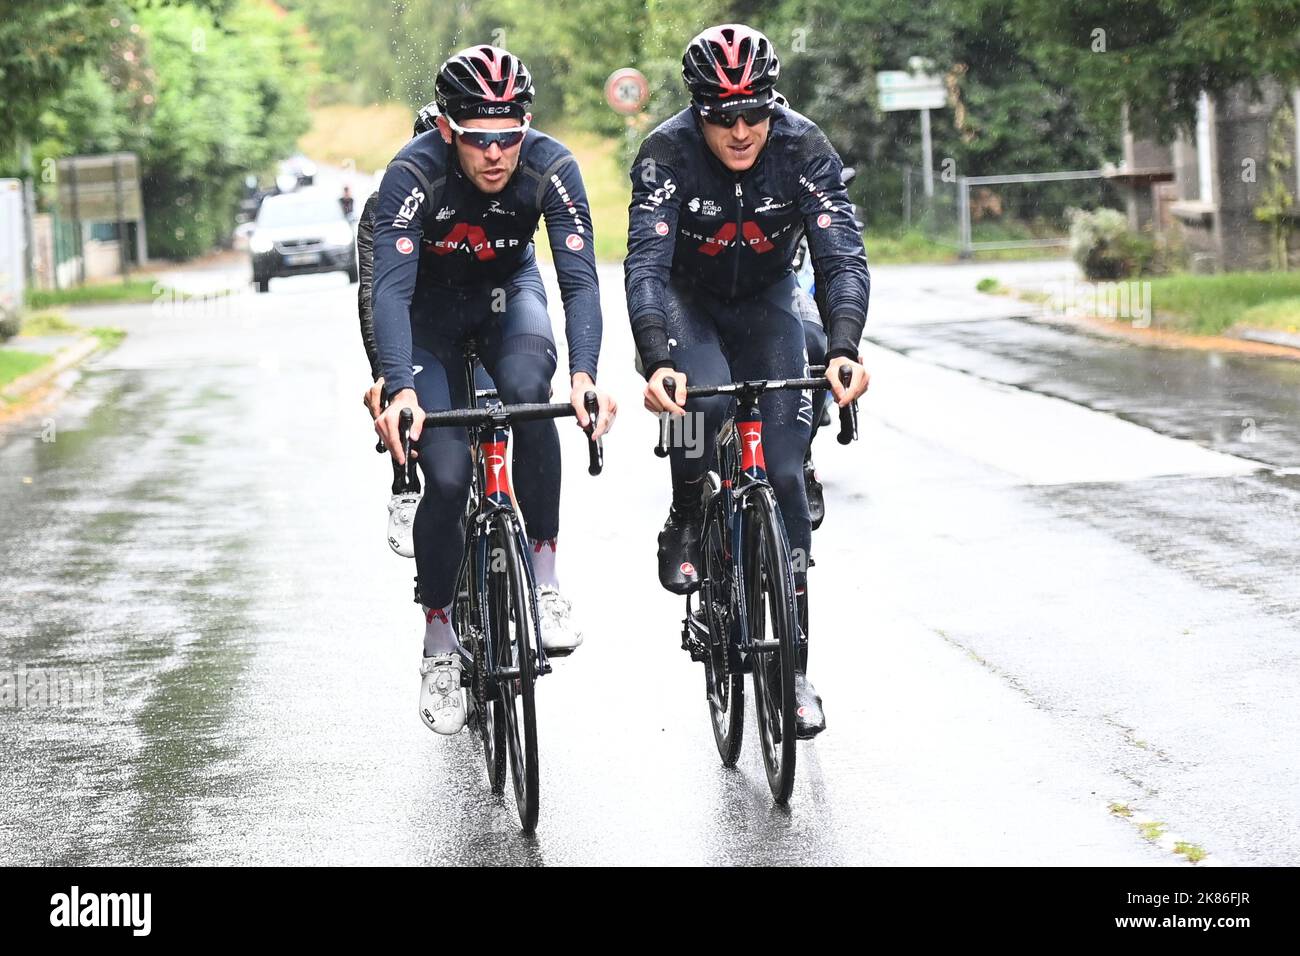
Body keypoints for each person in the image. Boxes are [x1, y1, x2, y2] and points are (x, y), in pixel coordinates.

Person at [624, 24, 870, 737]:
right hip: (686, 303)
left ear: (773, 104)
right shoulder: (666, 154)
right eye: (721, 117)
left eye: (753, 113)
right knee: (693, 408)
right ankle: (686, 514)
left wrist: (845, 346)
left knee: (787, 477)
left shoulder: (802, 147)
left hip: (765, 303)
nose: (739, 131)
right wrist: (655, 353)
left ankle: (793, 673)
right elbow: (643, 265)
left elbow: (841, 258)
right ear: (697, 111)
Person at [369, 46, 617, 736]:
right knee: (446, 480)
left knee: (531, 391)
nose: (496, 154)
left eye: (509, 135)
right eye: (479, 138)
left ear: (526, 125)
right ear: (447, 129)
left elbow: (579, 280)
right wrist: (397, 388)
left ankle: (544, 580)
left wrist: (587, 373)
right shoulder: (413, 173)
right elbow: (386, 291)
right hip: (429, 322)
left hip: (512, 299)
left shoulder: (550, 166)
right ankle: (440, 642)